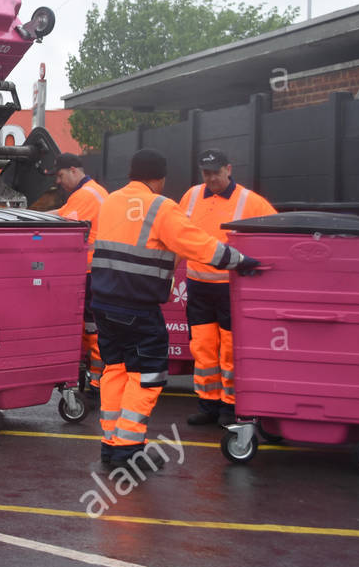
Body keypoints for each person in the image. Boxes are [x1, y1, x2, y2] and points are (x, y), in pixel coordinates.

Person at [90, 149, 259, 468]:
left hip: (103, 303)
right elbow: (198, 244)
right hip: (137, 308)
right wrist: (239, 261)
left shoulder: (110, 201)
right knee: (146, 376)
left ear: (131, 173)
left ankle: (111, 444)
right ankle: (128, 449)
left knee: (115, 370)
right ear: (160, 178)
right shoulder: (160, 207)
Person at [177, 149, 276, 425]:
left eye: (216, 173)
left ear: (228, 169)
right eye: (206, 173)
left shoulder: (250, 202)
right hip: (198, 286)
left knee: (230, 349)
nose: (210, 179)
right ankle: (208, 404)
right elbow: (178, 233)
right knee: (203, 347)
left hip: (230, 288)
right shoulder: (192, 195)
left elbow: (273, 232)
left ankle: (230, 406)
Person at [51, 152, 109, 399]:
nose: (59, 182)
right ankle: (94, 377)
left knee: (92, 327)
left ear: (74, 170)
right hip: (93, 271)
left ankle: (97, 382)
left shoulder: (86, 195)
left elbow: (61, 223)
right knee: (90, 327)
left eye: (61, 175)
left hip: (90, 271)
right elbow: (60, 212)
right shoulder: (88, 193)